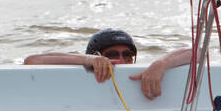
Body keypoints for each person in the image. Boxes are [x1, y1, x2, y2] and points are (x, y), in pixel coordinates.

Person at [23, 28, 193, 100]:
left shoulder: (145, 73)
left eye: (127, 55)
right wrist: (87, 60)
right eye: (112, 55)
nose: (121, 60)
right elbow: (32, 61)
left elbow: (201, 52)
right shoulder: (83, 70)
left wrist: (161, 63)